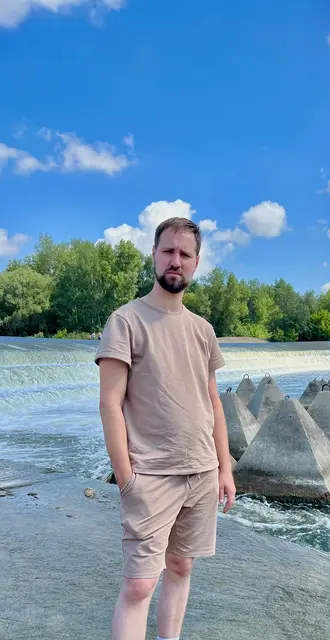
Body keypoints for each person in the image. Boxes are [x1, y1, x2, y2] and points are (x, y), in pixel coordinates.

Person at [95, 217, 235, 640]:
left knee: (180, 565)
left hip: (201, 471)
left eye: (185, 254)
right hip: (150, 474)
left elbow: (213, 402)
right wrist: (125, 476)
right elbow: (109, 403)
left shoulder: (203, 330)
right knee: (139, 585)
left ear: (196, 262)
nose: (176, 260)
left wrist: (225, 468)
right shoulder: (125, 321)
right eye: (168, 251)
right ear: (154, 255)